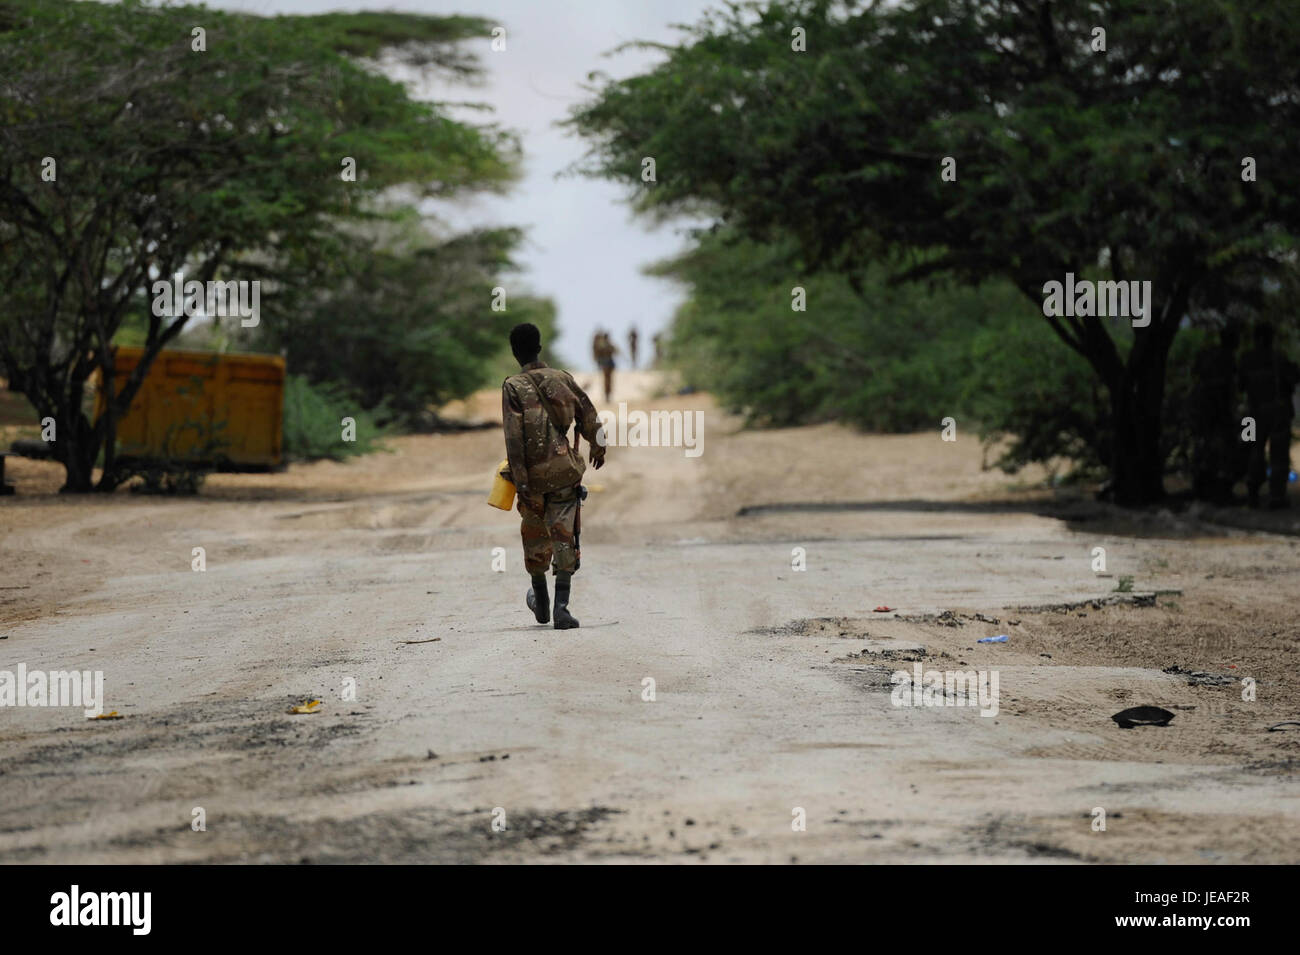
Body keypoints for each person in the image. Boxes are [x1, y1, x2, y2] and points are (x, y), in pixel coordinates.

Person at [502, 323, 606, 628]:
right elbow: (590, 416)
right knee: (564, 534)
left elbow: (513, 437)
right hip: (564, 473)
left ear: (515, 352)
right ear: (539, 347)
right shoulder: (563, 379)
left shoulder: (513, 387)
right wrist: (598, 449)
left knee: (534, 535)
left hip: (532, 478)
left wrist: (520, 480)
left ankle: (541, 601)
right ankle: (562, 607)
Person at [1240, 322, 1299, 509]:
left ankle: (1253, 493)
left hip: (1254, 414)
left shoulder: (1247, 359)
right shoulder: (1278, 358)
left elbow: (1240, 385)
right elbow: (1294, 378)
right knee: (1278, 456)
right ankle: (1276, 496)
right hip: (1277, 412)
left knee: (1254, 452)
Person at [593, 330, 618, 401]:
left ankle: (607, 395)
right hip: (607, 364)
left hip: (607, 364)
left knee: (607, 380)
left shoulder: (603, 345)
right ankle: (607, 395)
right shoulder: (608, 345)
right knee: (608, 380)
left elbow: (597, 354)